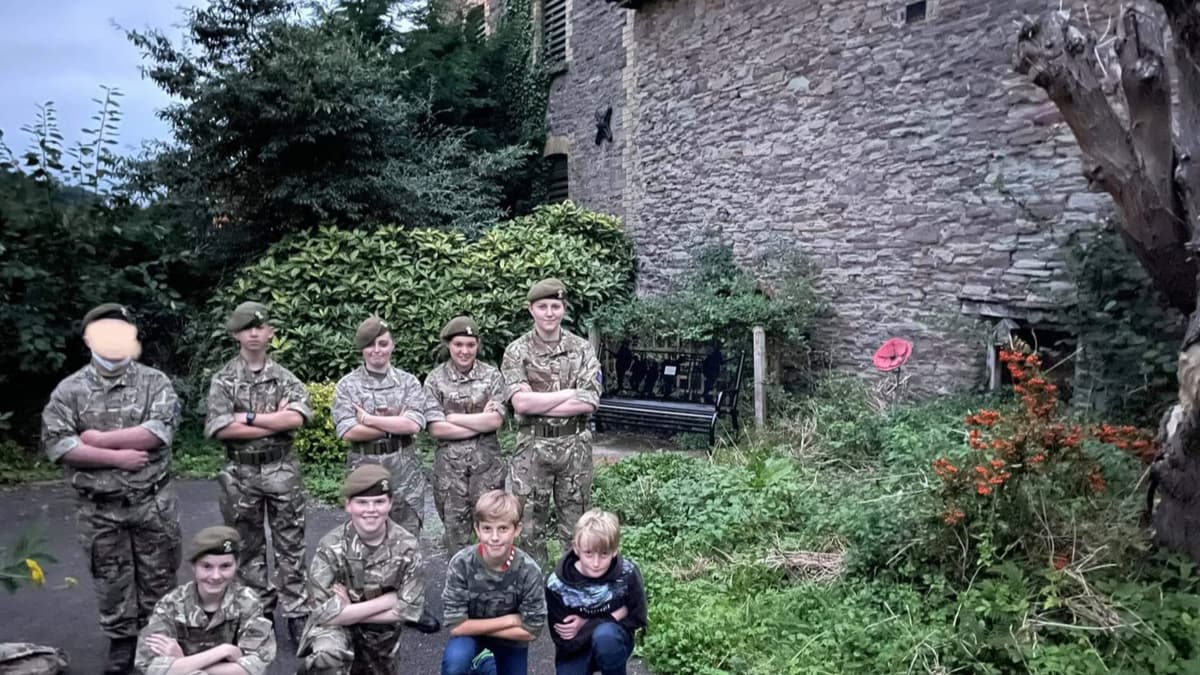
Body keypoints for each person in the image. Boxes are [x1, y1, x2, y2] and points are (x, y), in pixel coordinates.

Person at [41, 303, 182, 674]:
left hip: (151, 502)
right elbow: (60, 446)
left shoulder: (156, 383)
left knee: (160, 577)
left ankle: (159, 644)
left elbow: (156, 433)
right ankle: (121, 643)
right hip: (99, 508)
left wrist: (96, 440)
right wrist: (119, 458)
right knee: (110, 578)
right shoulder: (68, 391)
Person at [204, 301, 313, 642]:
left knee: (290, 545)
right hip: (241, 474)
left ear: (270, 333)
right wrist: (273, 422)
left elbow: (296, 419)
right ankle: (259, 610)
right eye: (246, 327)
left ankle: (297, 612)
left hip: (282, 469)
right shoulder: (223, 380)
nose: (253, 333)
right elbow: (221, 429)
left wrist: (247, 418)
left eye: (259, 327)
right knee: (246, 546)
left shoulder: (285, 378)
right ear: (236, 333)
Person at [501, 278, 602, 565]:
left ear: (563, 309)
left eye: (555, 306)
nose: (549, 313)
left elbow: (589, 401)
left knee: (576, 526)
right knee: (530, 527)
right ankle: (534, 590)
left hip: (575, 448)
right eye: (542, 306)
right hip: (532, 448)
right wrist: (569, 393)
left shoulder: (582, 349)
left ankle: (571, 586)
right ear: (531, 309)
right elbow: (520, 403)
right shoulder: (517, 351)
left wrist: (540, 402)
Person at [297, 465, 426, 675]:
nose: (371, 510)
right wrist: (388, 600)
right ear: (348, 505)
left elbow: (410, 611)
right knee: (327, 655)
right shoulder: (331, 546)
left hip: (381, 637)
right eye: (362, 502)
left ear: (390, 503)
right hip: (335, 632)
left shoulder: (407, 547)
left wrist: (349, 610)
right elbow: (323, 615)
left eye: (379, 502)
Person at [331, 315, 430, 538]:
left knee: (408, 539)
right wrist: (394, 425)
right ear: (361, 349)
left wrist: (368, 420)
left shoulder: (408, 382)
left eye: (383, 343)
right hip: (363, 470)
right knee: (367, 539)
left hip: (405, 472)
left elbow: (414, 424)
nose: (377, 350)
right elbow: (348, 431)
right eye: (370, 345)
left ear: (392, 345)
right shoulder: (347, 386)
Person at [135, 526, 277, 675]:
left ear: (237, 564)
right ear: (193, 566)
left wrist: (183, 662)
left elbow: (254, 668)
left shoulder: (248, 602)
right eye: (207, 566)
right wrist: (223, 651)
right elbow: (151, 667)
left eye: (225, 566)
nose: (215, 576)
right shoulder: (171, 604)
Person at [424, 316, 508, 551]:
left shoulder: (492, 376)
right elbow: (436, 428)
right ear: (448, 345)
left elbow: (495, 421)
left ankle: (490, 584)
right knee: (455, 534)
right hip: (450, 472)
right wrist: (478, 421)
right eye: (458, 344)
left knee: (492, 530)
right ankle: (458, 585)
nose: (464, 351)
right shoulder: (434, 380)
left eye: (470, 345)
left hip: (487, 467)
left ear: (477, 345)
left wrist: (453, 417)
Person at [441, 490, 547, 675]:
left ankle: (484, 662)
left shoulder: (529, 570)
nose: (495, 537)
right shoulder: (461, 563)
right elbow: (455, 625)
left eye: (503, 528)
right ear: (477, 529)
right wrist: (510, 620)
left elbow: (532, 630)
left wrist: (476, 627)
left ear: (517, 529)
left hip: (511, 640)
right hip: (471, 637)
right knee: (455, 664)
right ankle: (482, 662)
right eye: (487, 528)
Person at [546, 510, 648, 675]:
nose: (595, 563)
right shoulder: (557, 584)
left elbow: (638, 617)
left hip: (612, 641)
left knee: (606, 637)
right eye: (588, 553)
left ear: (614, 550)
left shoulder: (627, 573)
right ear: (576, 549)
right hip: (574, 651)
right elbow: (565, 641)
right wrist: (616, 614)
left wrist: (585, 623)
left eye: (604, 554)